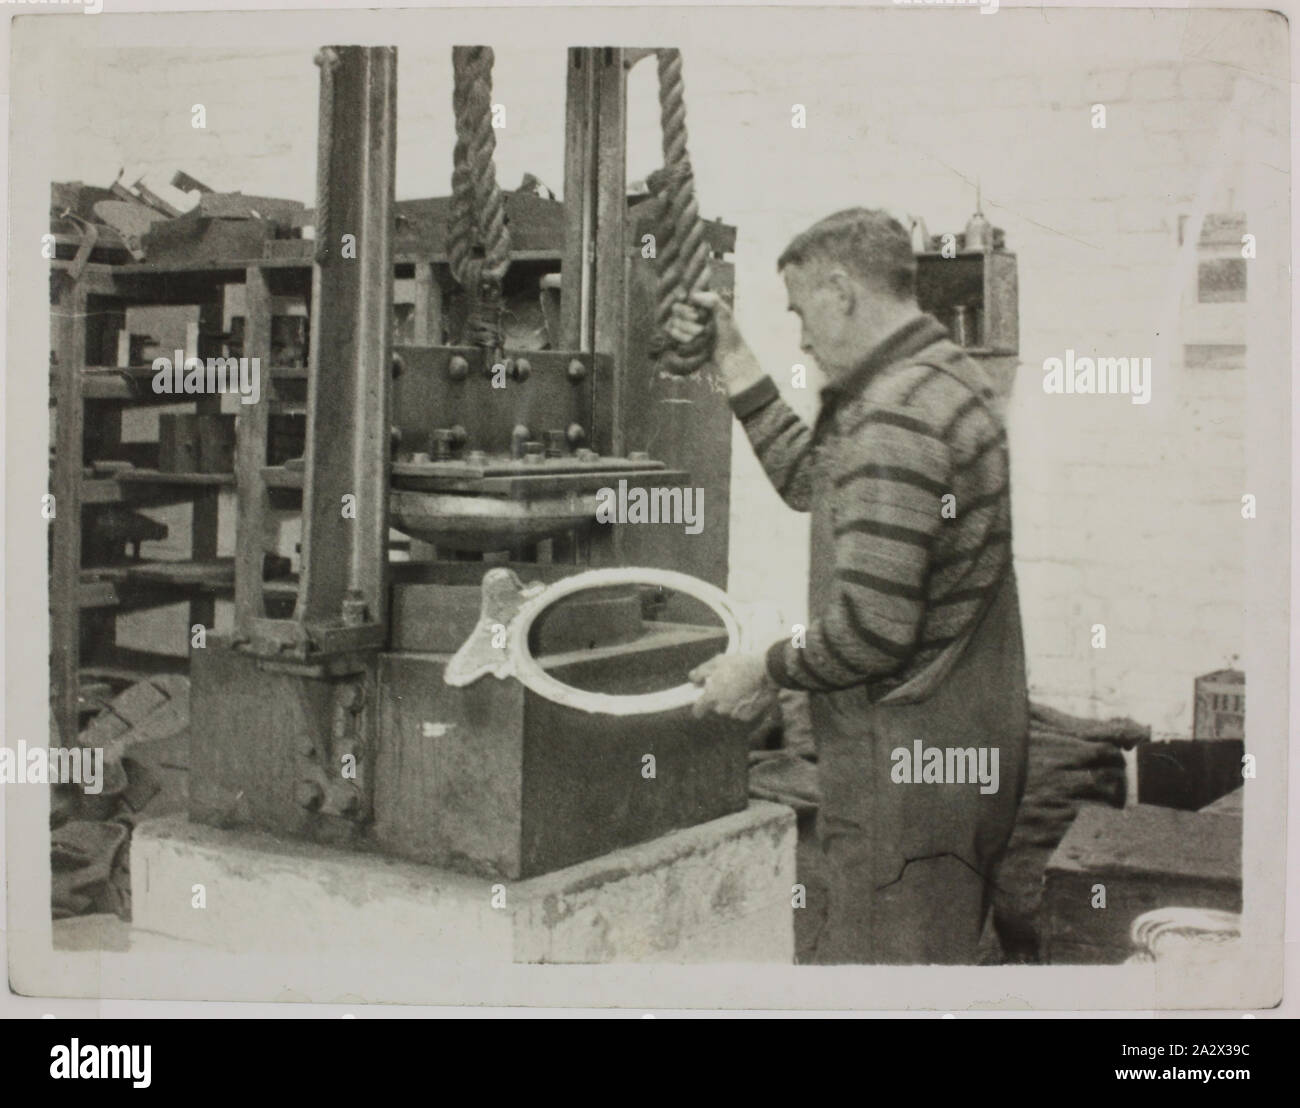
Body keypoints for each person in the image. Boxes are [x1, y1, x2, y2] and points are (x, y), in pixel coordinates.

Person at [674, 208, 1029, 964]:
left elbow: (869, 631)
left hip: (901, 770)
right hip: (961, 748)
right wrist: (734, 360)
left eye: (801, 312)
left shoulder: (894, 416)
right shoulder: (940, 376)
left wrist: (763, 669)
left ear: (839, 289)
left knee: (878, 973)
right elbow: (815, 481)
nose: (800, 337)